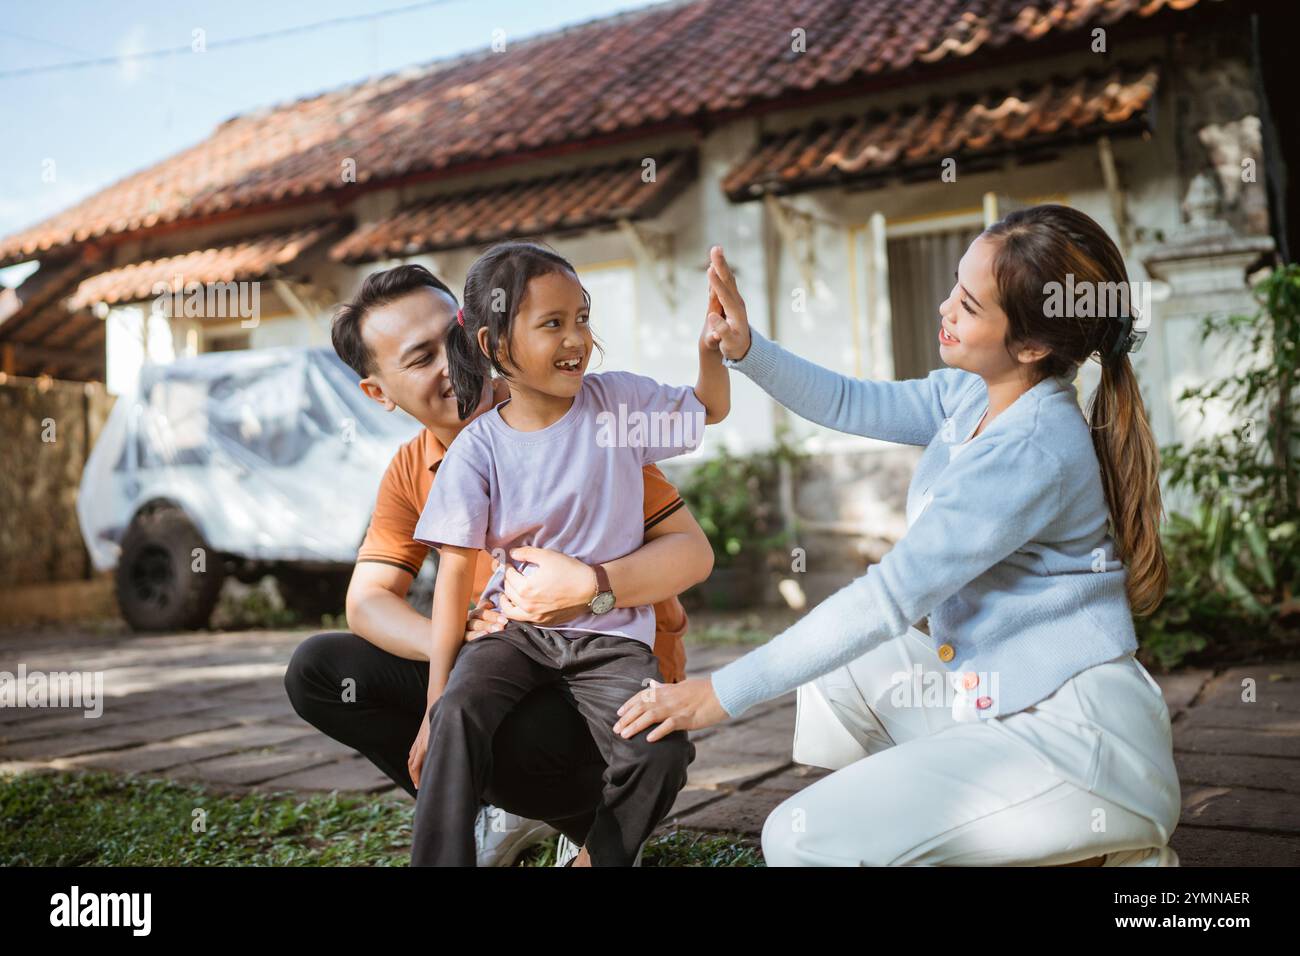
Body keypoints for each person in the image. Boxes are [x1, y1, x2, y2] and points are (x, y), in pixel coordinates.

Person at [615, 209, 1184, 867]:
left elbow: (883, 599)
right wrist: (747, 349)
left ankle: (1093, 845)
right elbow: (849, 402)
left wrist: (716, 694)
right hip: (1000, 703)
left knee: (796, 837)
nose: (945, 308)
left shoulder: (1032, 449)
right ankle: (993, 836)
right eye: (953, 286)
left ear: (1030, 347)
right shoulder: (975, 396)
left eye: (969, 306)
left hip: (1080, 749)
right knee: (843, 672)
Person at [283, 262, 715, 867]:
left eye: (456, 336)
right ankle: (493, 811)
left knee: (581, 726)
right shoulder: (414, 468)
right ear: (379, 393)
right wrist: (455, 634)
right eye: (420, 357)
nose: (452, 363)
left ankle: (598, 828)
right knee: (321, 669)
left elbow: (692, 551)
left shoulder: (569, 416)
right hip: (509, 669)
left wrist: (592, 587)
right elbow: (367, 600)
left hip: (604, 681)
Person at [407, 240, 729, 866]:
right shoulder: (478, 451)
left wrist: (710, 350)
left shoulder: (620, 407)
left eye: (581, 317)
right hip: (516, 635)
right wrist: (433, 708)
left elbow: (708, 408)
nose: (576, 338)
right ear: (494, 347)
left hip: (613, 640)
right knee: (460, 714)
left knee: (661, 748)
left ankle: (595, 858)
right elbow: (450, 587)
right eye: (552, 324)